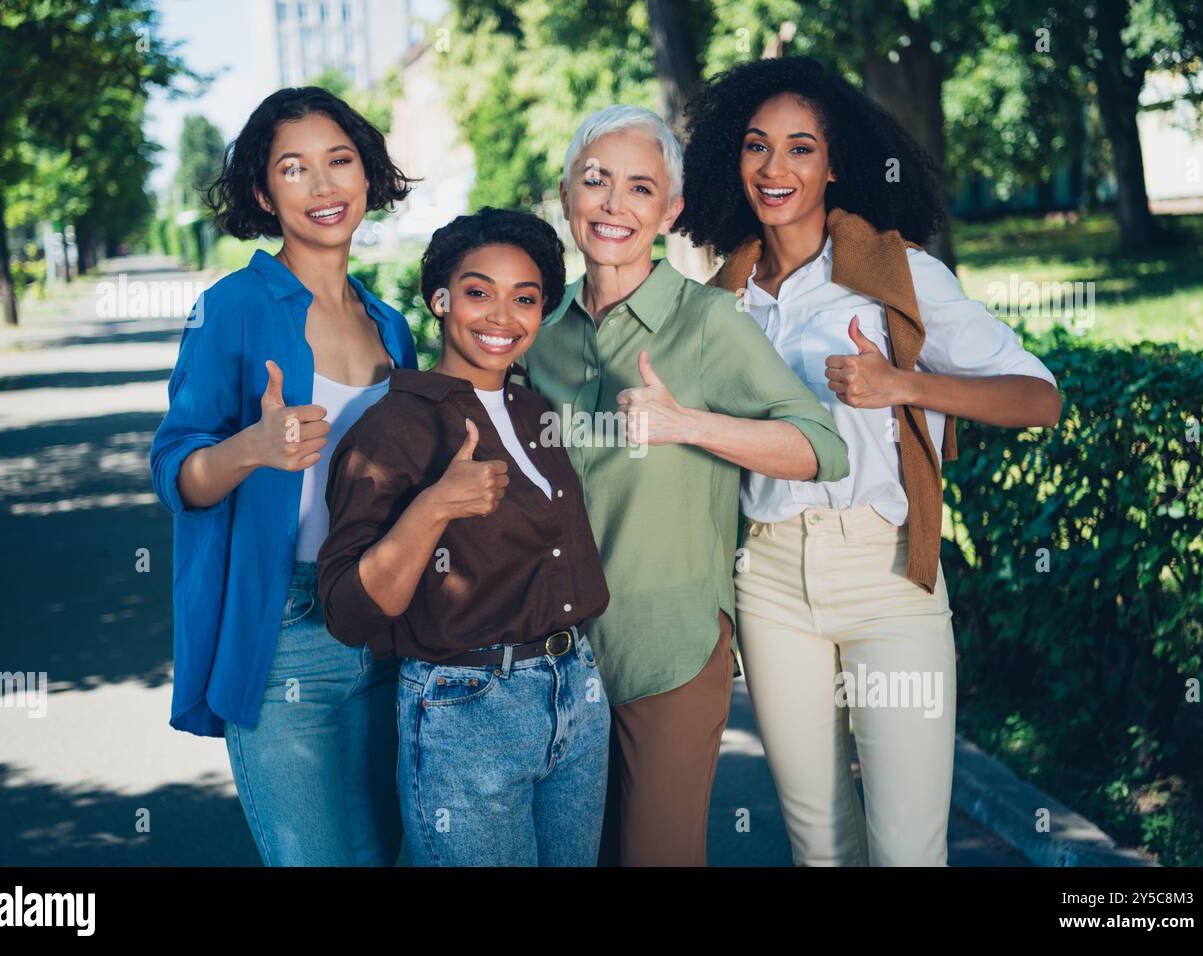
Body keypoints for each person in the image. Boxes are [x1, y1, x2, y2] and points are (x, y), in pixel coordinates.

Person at [676, 56, 1062, 865]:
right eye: (756, 146)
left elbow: (1038, 398)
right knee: (821, 848)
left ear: (836, 163)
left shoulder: (898, 275)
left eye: (800, 148)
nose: (774, 168)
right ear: (730, 159)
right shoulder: (721, 299)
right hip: (772, 584)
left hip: (886, 577)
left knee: (905, 851)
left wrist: (903, 385)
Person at [514, 105, 849, 866]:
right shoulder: (541, 328)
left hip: (669, 647)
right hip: (556, 657)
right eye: (595, 181)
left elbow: (822, 447)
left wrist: (689, 424)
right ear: (566, 194)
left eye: (640, 189)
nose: (613, 205)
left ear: (670, 212)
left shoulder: (709, 323)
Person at [149, 86, 416, 865]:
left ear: (367, 175)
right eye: (294, 170)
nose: (324, 187)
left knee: (381, 856)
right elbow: (174, 472)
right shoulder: (229, 307)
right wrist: (251, 449)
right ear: (265, 194)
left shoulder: (390, 323)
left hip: (379, 625)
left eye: (340, 162)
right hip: (282, 635)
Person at [316, 208, 612, 866]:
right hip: (467, 710)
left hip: (579, 693)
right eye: (479, 292)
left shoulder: (536, 411)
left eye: (525, 298)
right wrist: (433, 508)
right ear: (440, 299)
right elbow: (348, 610)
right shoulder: (392, 429)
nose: (501, 317)